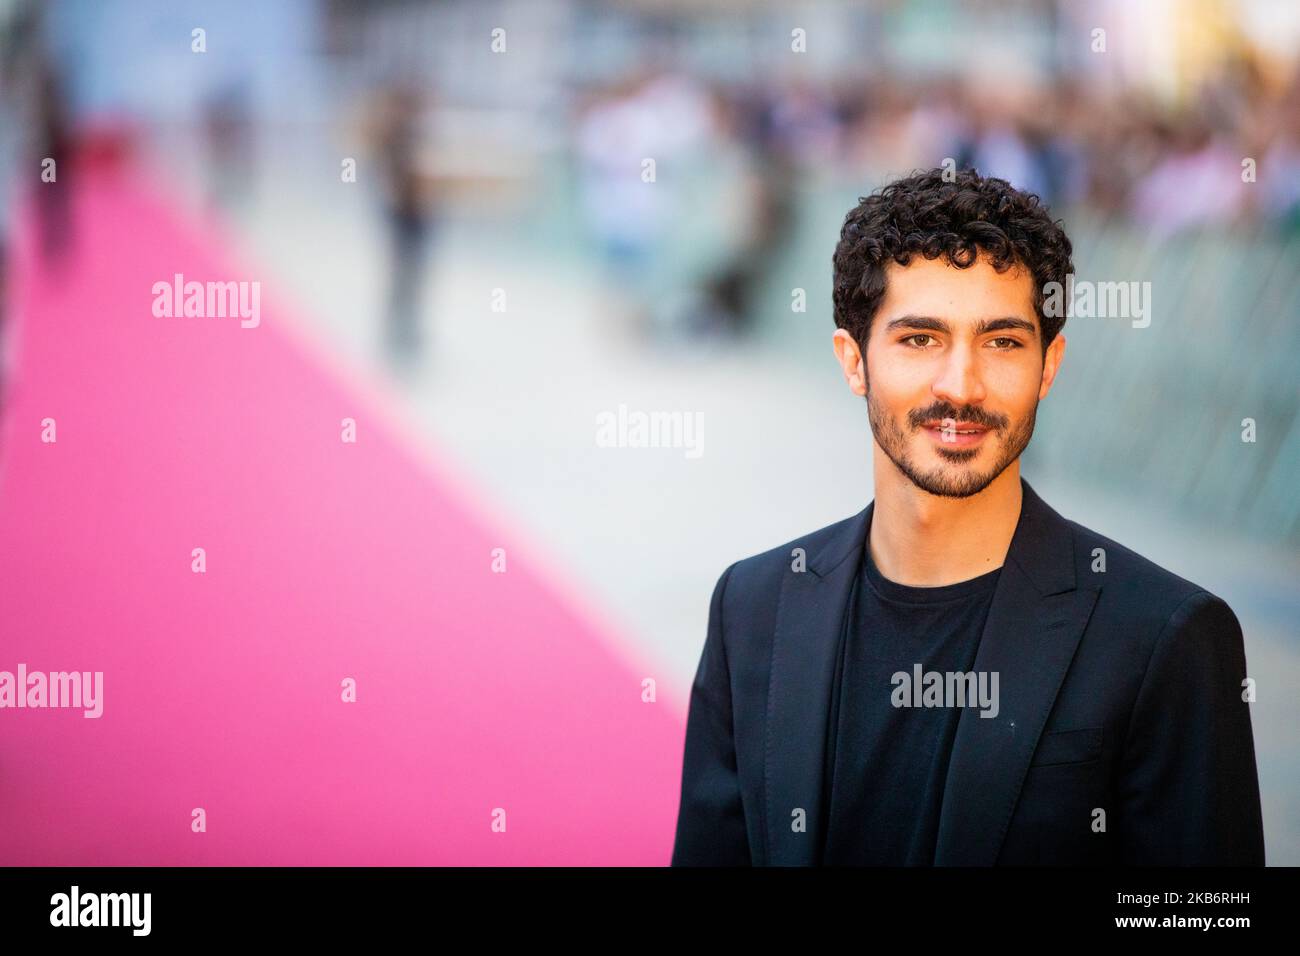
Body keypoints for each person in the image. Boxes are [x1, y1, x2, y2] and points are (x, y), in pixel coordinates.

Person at [671, 168, 1265, 866]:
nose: (961, 386)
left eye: (1003, 342)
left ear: (1049, 366)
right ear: (853, 361)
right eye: (920, 339)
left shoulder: (1166, 638)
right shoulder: (752, 609)